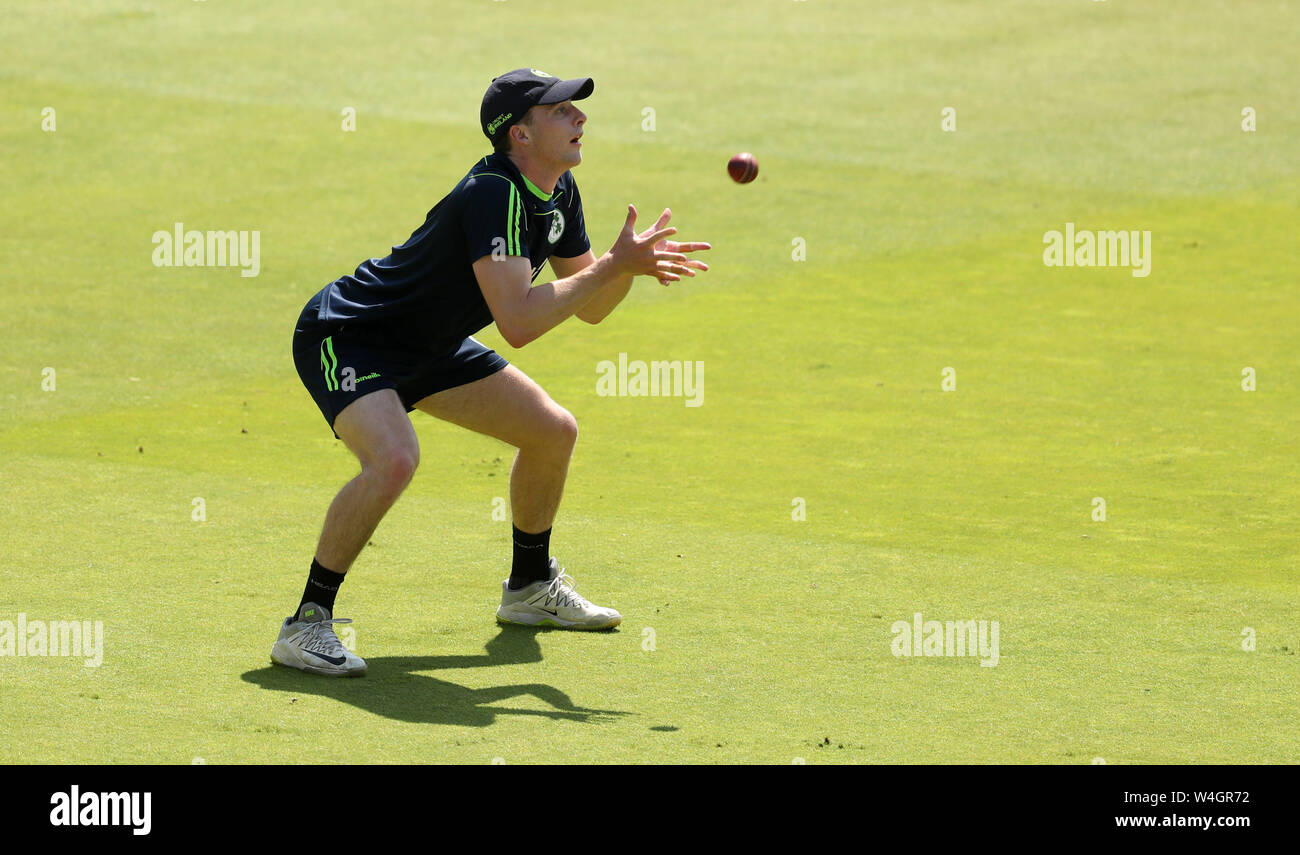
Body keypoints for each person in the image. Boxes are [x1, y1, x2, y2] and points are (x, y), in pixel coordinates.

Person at [271, 68, 712, 676]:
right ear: (519, 134)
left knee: (552, 430)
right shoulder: (493, 193)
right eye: (560, 110)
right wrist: (610, 264)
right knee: (395, 458)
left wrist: (622, 269)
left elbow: (592, 311)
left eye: (575, 108)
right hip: (352, 337)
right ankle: (306, 624)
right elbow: (520, 323)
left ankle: (530, 587)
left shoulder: (557, 192)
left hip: (432, 344)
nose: (579, 117)